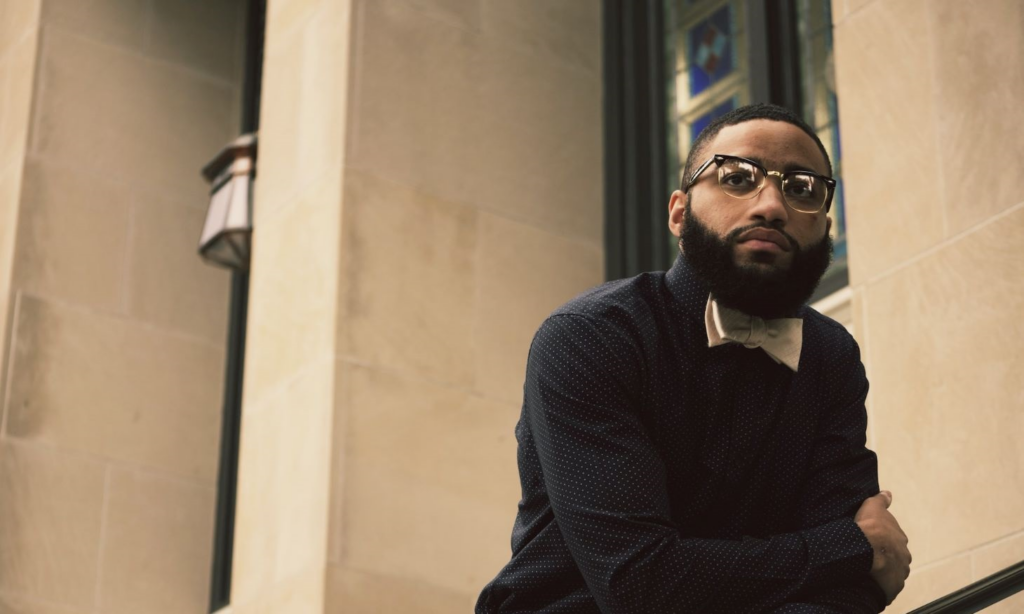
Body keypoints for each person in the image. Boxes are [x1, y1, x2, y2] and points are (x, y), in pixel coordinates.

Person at [476, 103, 911, 613]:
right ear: (679, 212)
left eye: (801, 188)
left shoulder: (832, 357)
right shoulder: (589, 337)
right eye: (737, 178)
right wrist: (849, 547)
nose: (772, 204)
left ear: (825, 224)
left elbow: (853, 591)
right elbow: (640, 582)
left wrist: (851, 562)